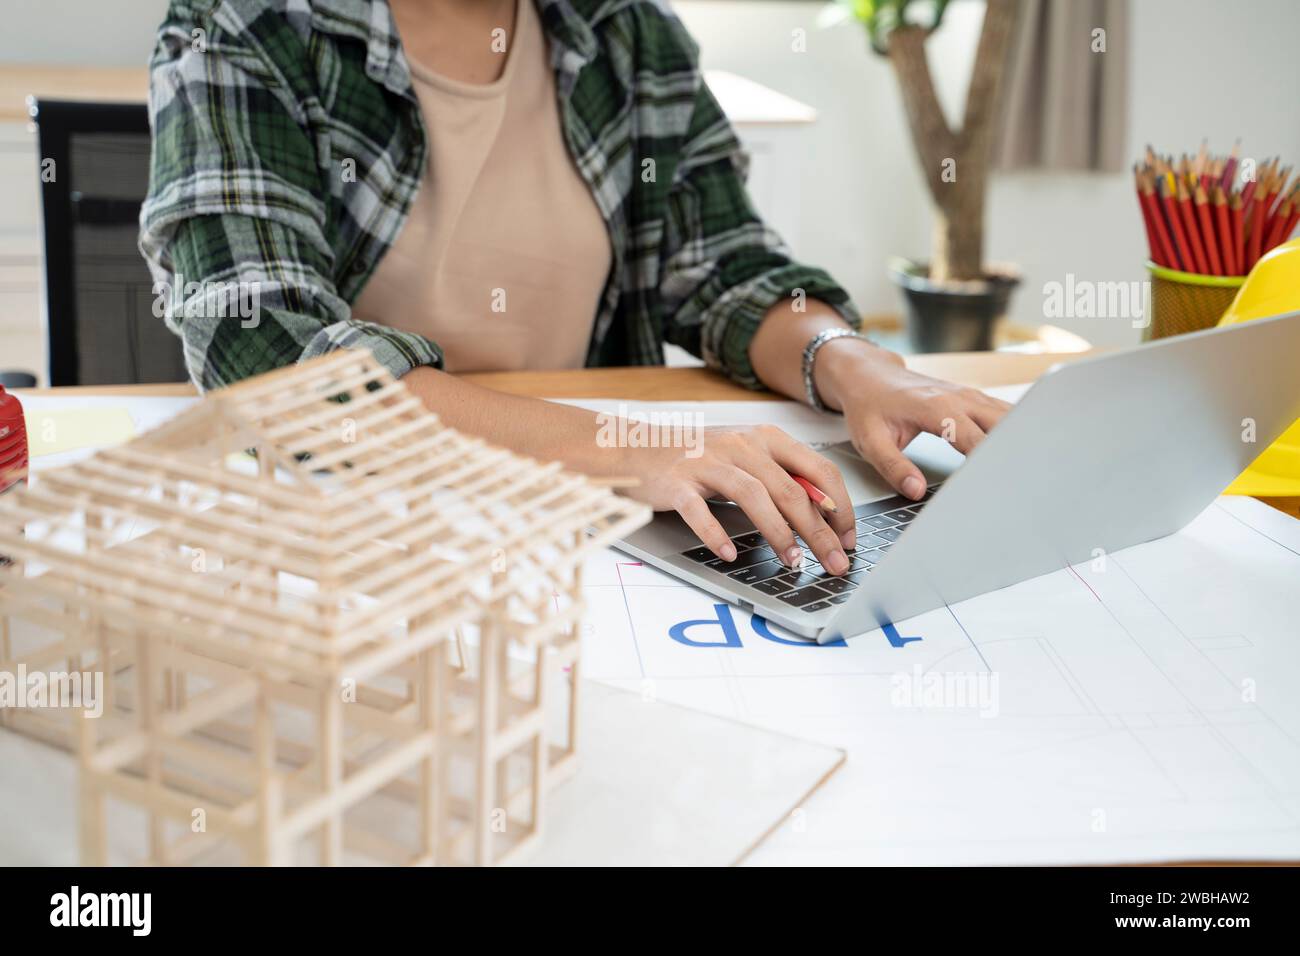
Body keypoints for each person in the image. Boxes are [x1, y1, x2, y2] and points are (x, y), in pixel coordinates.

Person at [140, 0, 1009, 577]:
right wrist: (631, 448)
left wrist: (856, 367)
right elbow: (273, 363)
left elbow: (727, 263)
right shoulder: (240, 28)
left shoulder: (625, 30)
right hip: (362, 537)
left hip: (586, 532)